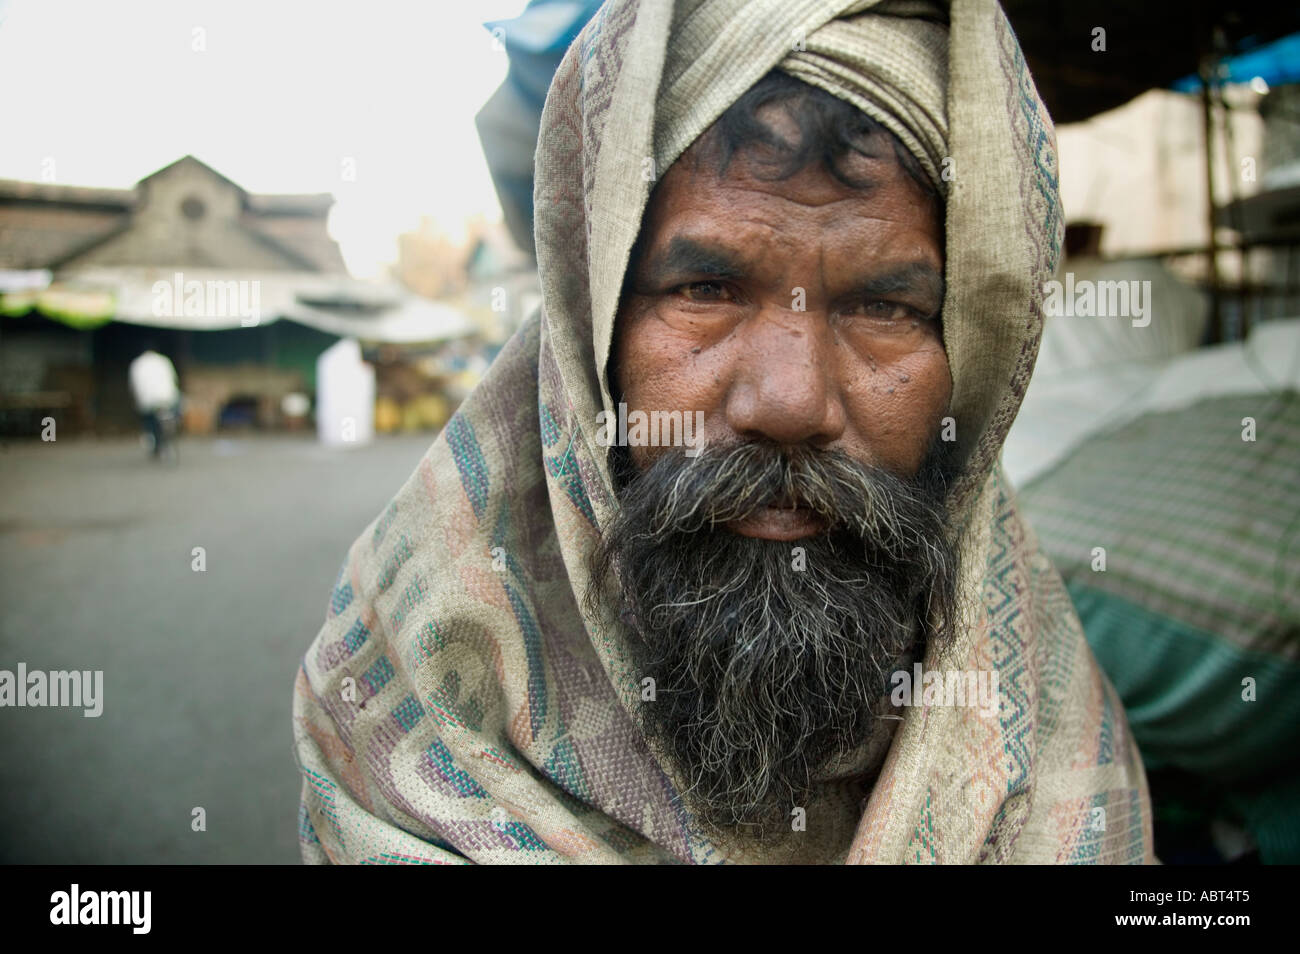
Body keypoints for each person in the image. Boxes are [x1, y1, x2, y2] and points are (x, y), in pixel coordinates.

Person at [292, 0, 1155, 864]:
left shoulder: (1044, 728)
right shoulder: (415, 692)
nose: (789, 402)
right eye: (706, 288)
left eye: (885, 306)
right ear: (591, 332)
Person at [128, 346, 181, 458]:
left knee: (149, 422)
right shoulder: (164, 360)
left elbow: (133, 385)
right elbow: (174, 379)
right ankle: (173, 425)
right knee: (174, 409)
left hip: (147, 400)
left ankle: (152, 441)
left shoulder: (137, 363)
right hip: (167, 397)